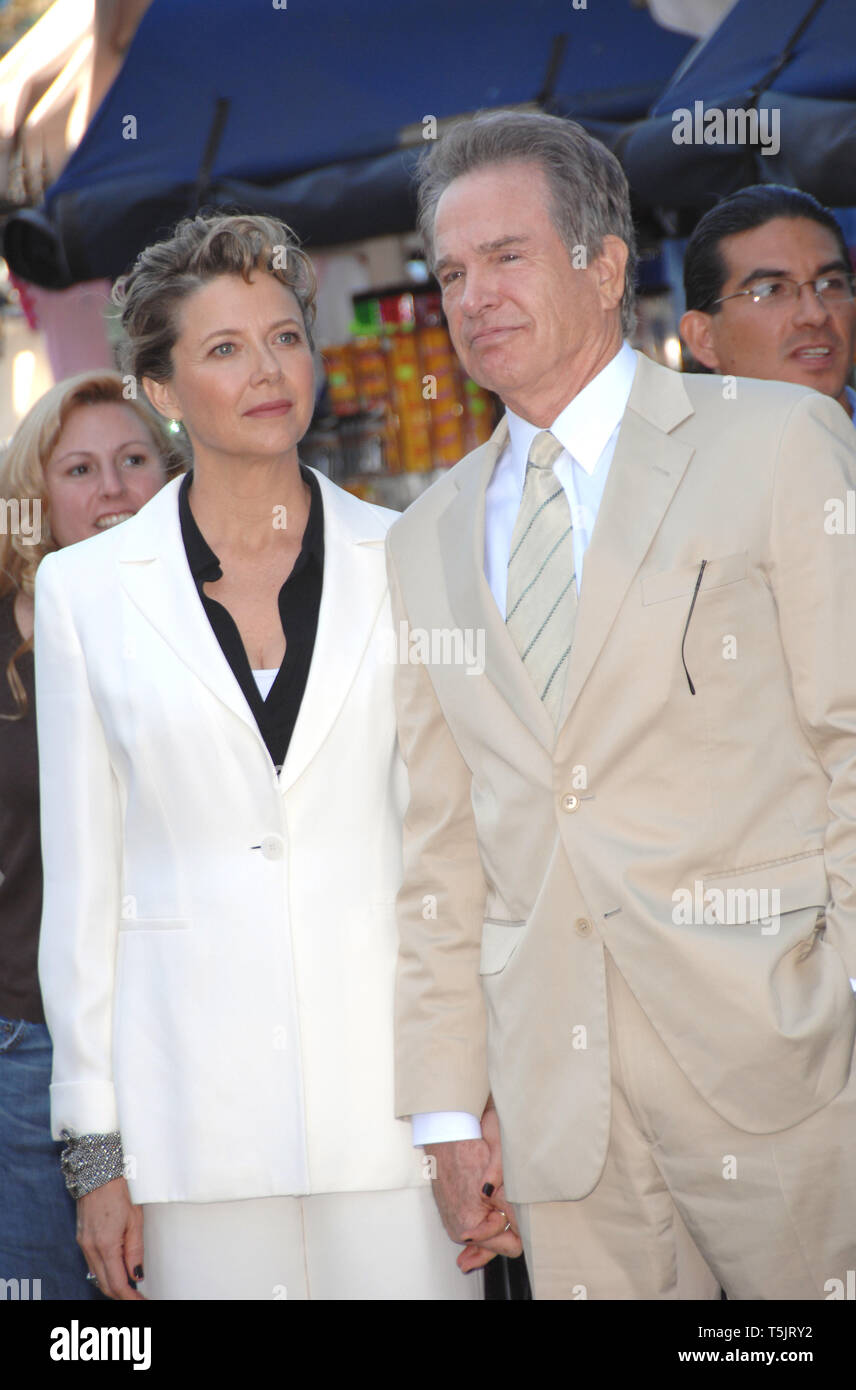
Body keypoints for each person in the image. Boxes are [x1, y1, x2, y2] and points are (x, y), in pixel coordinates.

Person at [385, 111, 856, 1300]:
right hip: (561, 1115)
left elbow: (851, 728)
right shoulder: (427, 535)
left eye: (506, 255)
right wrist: (447, 1106)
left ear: (604, 266)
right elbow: (444, 839)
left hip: (780, 1071)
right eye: (450, 270)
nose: (472, 293)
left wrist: (838, 989)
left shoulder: (775, 443)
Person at [34, 212, 481, 1301]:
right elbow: (84, 897)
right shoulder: (85, 595)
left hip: (394, 1121)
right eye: (224, 347)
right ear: (162, 390)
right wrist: (96, 1152)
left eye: (284, 335)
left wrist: (465, 1107)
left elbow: (452, 855)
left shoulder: (411, 553)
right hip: (190, 1129)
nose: (268, 368)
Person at [0, 369, 174, 1299]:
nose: (111, 489)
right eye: (79, 469)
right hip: (30, 1049)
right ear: (33, 498)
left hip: (179, 1032)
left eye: (133, 459)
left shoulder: (210, 628)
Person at [678, 184, 856, 445]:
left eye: (830, 284)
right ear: (703, 337)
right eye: (772, 290)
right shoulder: (675, 479)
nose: (816, 314)